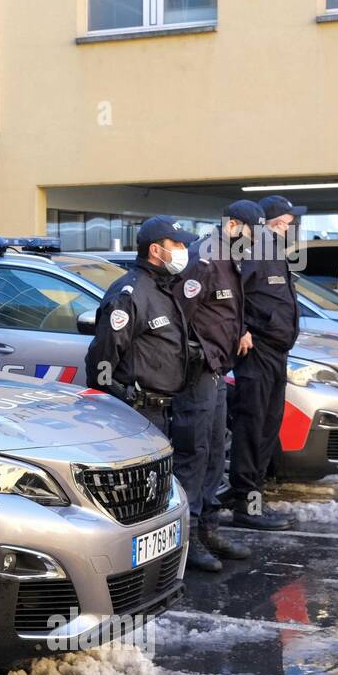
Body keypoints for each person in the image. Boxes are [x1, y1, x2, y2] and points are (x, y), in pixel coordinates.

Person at [171, 201, 261, 572]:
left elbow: (221, 309)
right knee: (194, 454)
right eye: (253, 231)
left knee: (211, 454)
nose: (256, 240)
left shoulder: (227, 256)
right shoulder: (204, 257)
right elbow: (181, 315)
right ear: (235, 224)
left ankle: (209, 529)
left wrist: (238, 330)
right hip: (199, 371)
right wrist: (202, 353)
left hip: (219, 369)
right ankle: (188, 542)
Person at [228, 195, 303, 531]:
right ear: (270, 223)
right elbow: (231, 297)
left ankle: (255, 499)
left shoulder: (275, 253)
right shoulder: (251, 252)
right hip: (258, 352)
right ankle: (247, 506)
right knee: (253, 427)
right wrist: (241, 330)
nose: (289, 229)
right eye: (285, 223)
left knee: (269, 426)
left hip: (277, 352)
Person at [85, 216, 197, 434]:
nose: (184, 249)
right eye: (177, 244)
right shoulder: (131, 293)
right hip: (136, 412)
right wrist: (113, 400)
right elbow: (103, 355)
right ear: (156, 250)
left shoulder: (162, 286)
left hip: (163, 410)